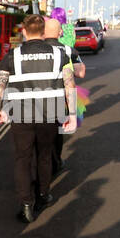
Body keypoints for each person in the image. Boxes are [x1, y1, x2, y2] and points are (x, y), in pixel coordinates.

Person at [0, 13, 77, 224]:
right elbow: (70, 85)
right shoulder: (60, 55)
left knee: (23, 159)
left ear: (23, 31)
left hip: (22, 115)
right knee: (44, 155)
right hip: (50, 113)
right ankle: (43, 195)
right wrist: (73, 115)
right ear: (43, 32)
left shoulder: (13, 55)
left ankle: (26, 205)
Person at [42, 16, 84, 177]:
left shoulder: (32, 49)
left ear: (43, 32)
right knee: (57, 134)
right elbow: (81, 72)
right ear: (60, 32)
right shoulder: (68, 50)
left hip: (33, 101)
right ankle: (56, 162)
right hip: (59, 98)